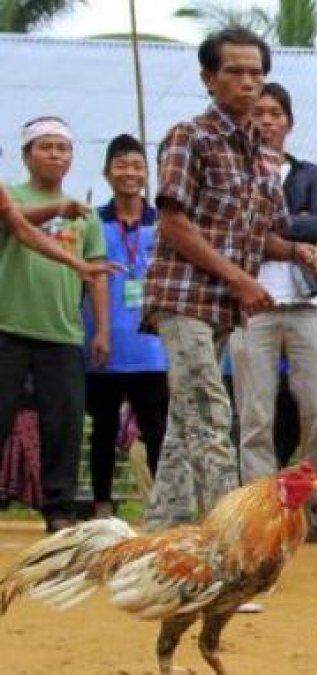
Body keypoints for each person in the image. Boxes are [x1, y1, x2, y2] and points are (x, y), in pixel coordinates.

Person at [141, 29, 317, 530]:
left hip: (222, 303)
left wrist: (299, 251)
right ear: (209, 78)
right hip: (182, 296)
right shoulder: (189, 136)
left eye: (255, 73)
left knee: (186, 425)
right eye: (234, 72)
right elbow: (175, 223)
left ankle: (160, 538)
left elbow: (260, 234)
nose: (247, 82)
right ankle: (232, 545)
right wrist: (242, 279)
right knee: (209, 415)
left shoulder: (264, 156)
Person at [230, 81, 317, 544]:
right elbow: (233, 229)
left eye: (276, 112)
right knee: (255, 416)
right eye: (258, 112)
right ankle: (261, 517)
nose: (266, 120)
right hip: (251, 305)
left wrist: (268, 228)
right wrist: (293, 241)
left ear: (289, 122)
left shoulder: (313, 175)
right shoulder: (232, 175)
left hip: (305, 306)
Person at [0, 116, 108, 532]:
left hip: (63, 332)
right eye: (45, 147)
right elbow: (18, 223)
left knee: (64, 423)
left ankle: (59, 509)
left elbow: (96, 272)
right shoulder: (10, 196)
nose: (55, 154)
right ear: (27, 155)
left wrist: (99, 329)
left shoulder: (86, 216)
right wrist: (59, 208)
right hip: (9, 326)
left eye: (62, 148)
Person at [82, 134, 169, 519]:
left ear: (148, 175)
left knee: (158, 431)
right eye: (121, 165)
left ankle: (163, 505)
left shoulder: (164, 224)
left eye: (137, 166)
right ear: (106, 172)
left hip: (152, 348)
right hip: (103, 343)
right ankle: (102, 503)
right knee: (103, 428)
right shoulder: (91, 222)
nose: (129, 173)